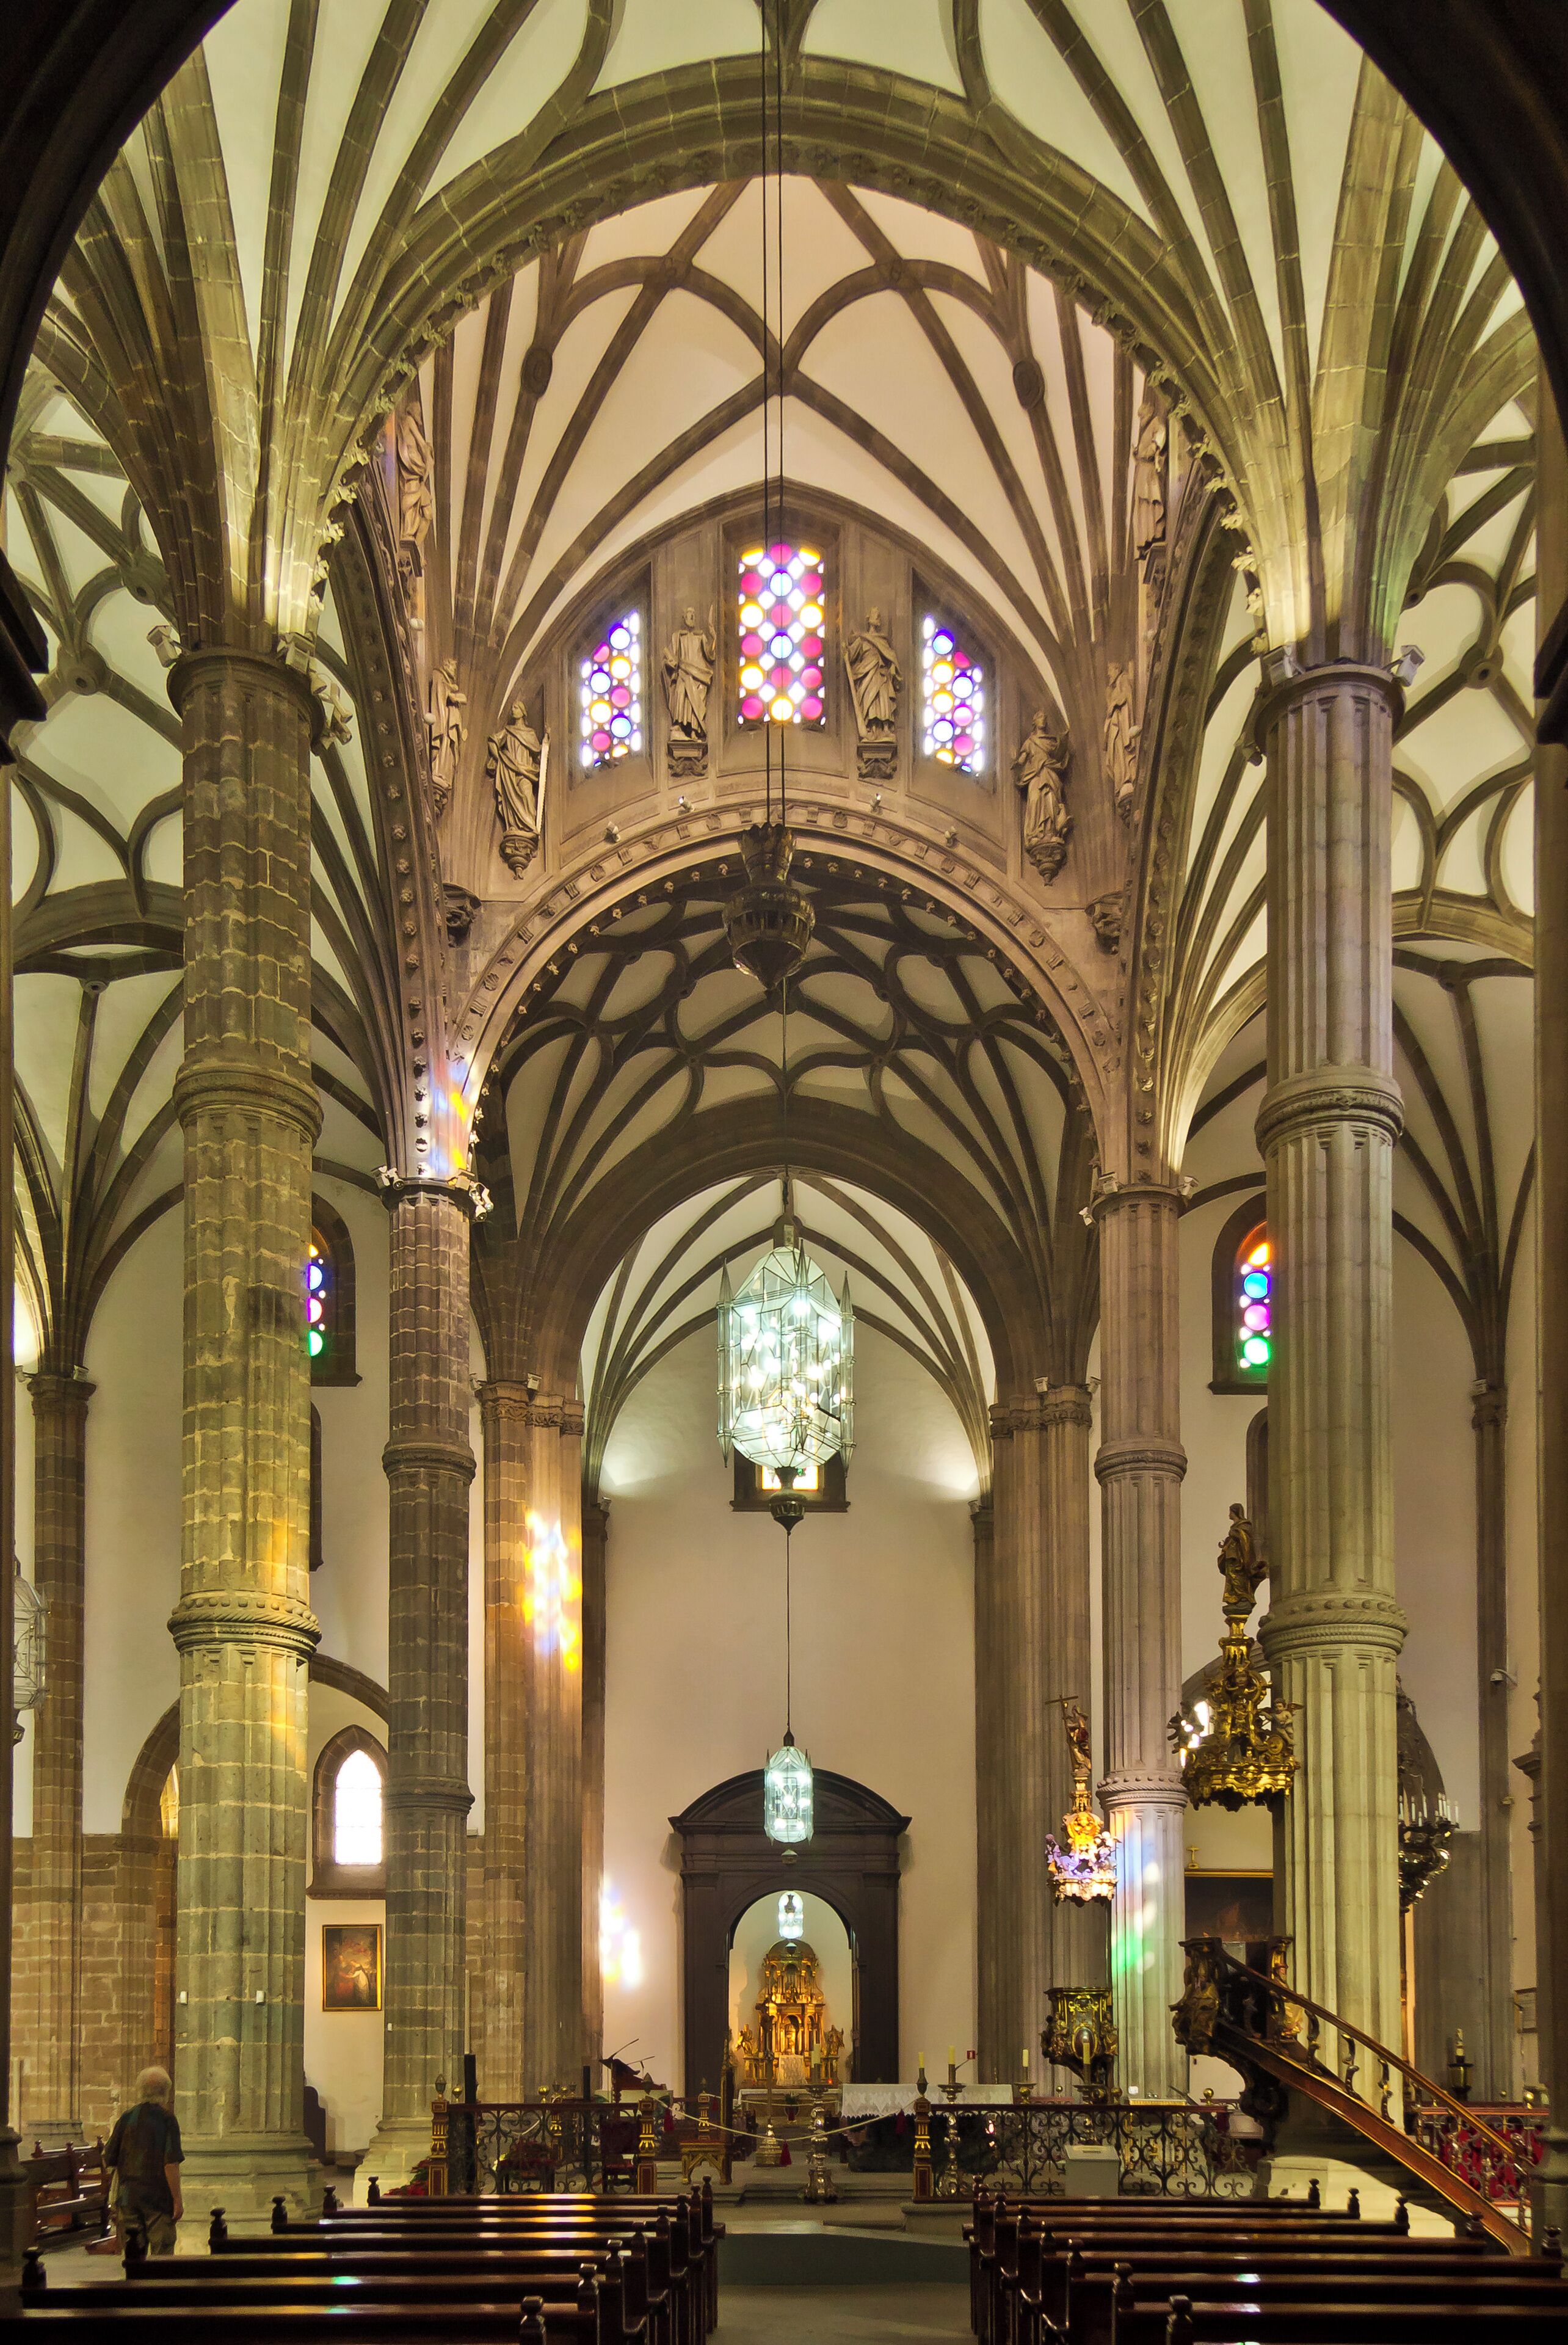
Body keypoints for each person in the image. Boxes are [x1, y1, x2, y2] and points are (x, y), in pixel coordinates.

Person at [104, 2066, 184, 2254]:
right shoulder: (167, 2120)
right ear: (166, 2092)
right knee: (162, 2258)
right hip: (159, 2201)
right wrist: (178, 2200)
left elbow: (109, 2158)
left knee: (133, 2257)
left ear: (139, 2090)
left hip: (128, 2198)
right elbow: (170, 2163)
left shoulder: (127, 2118)